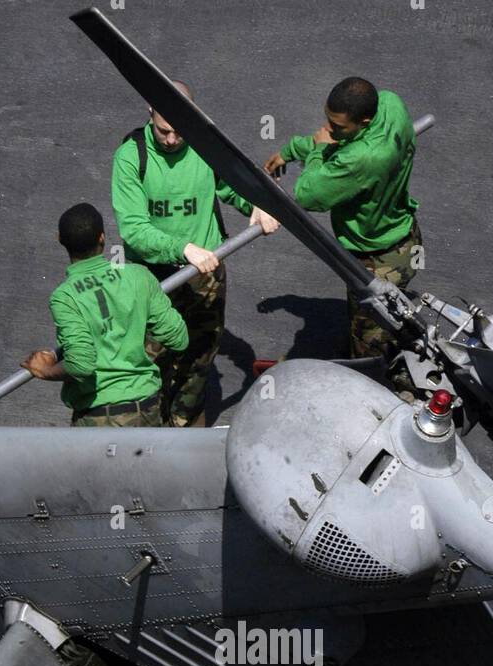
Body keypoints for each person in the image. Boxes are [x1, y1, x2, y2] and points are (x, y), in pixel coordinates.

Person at [112, 81, 280, 427]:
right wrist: (182, 248)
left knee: (200, 355)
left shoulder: (205, 146)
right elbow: (133, 229)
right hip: (154, 281)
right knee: (149, 361)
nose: (172, 139)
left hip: (205, 276)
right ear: (150, 113)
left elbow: (231, 184)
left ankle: (185, 422)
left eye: (179, 130)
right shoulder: (131, 157)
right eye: (164, 131)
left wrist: (256, 204)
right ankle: (151, 431)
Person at [264, 77, 422, 370]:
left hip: (376, 260)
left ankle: (376, 377)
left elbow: (308, 194)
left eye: (338, 126)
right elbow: (337, 143)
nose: (329, 128)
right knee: (385, 319)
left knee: (368, 344)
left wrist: (314, 151)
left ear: (364, 122)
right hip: (404, 234)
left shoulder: (363, 158)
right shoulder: (390, 103)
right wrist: (292, 150)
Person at [22, 202, 187, 427]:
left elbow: (81, 364)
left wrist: (46, 369)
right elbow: (178, 338)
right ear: (102, 237)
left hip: (99, 419)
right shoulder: (138, 276)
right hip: (148, 408)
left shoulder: (65, 297)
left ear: (60, 239)